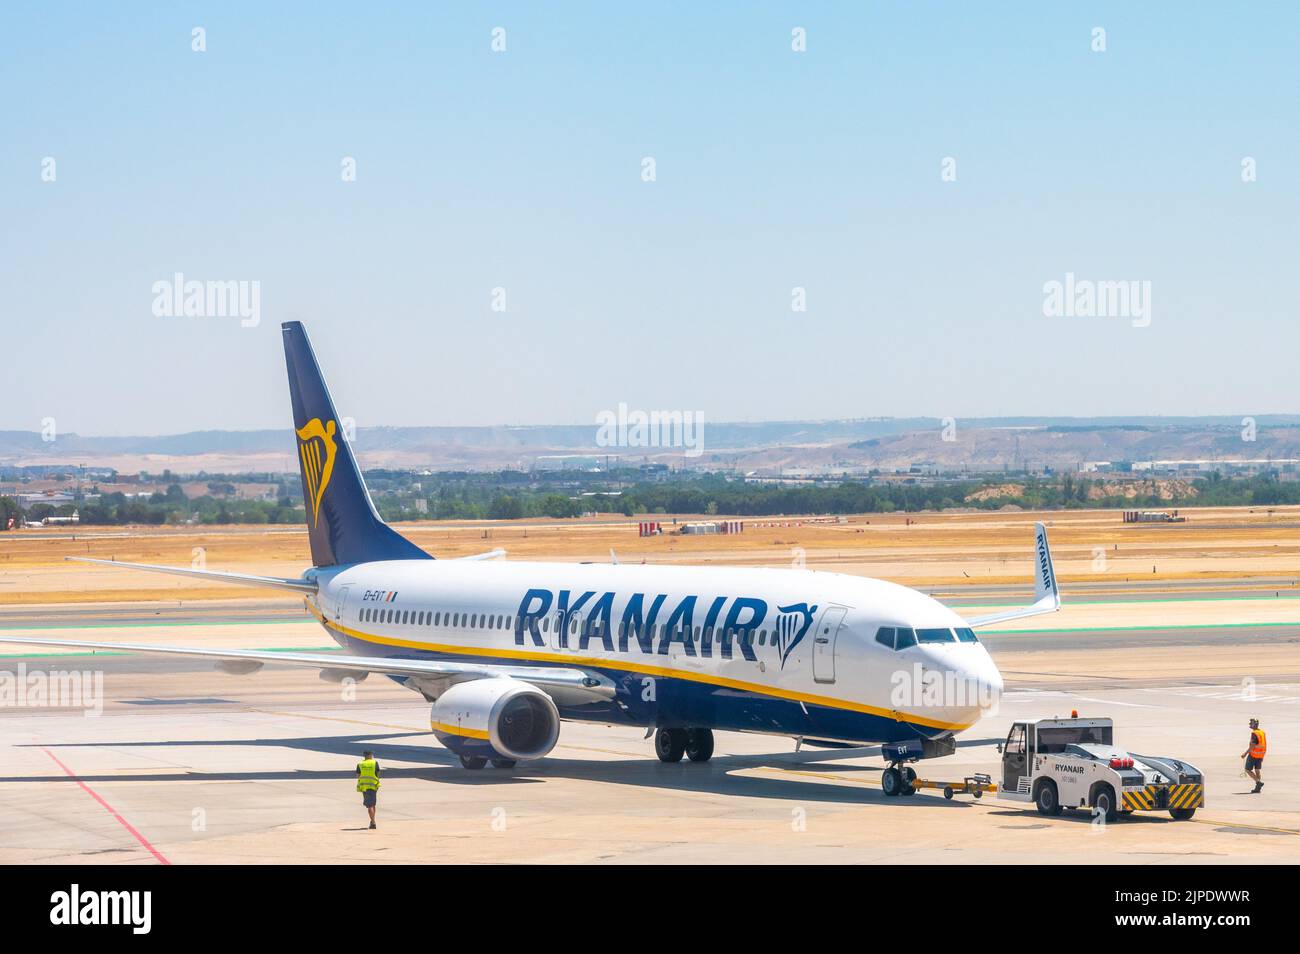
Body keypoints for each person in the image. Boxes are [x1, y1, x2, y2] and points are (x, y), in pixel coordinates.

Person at [356, 750, 381, 828]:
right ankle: (373, 821)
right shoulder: (374, 763)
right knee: (373, 804)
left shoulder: (360, 764)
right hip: (374, 786)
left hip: (365, 787)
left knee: (369, 805)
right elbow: (378, 774)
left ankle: (373, 822)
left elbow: (358, 775)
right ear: (371, 755)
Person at [1241, 718, 1265, 794]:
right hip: (1261, 754)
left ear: (1254, 724)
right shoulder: (1262, 732)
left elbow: (1253, 745)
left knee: (1248, 770)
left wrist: (1245, 753)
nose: (1249, 724)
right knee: (1257, 770)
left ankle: (1258, 782)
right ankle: (1258, 788)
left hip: (1253, 754)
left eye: (1251, 723)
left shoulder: (1254, 733)